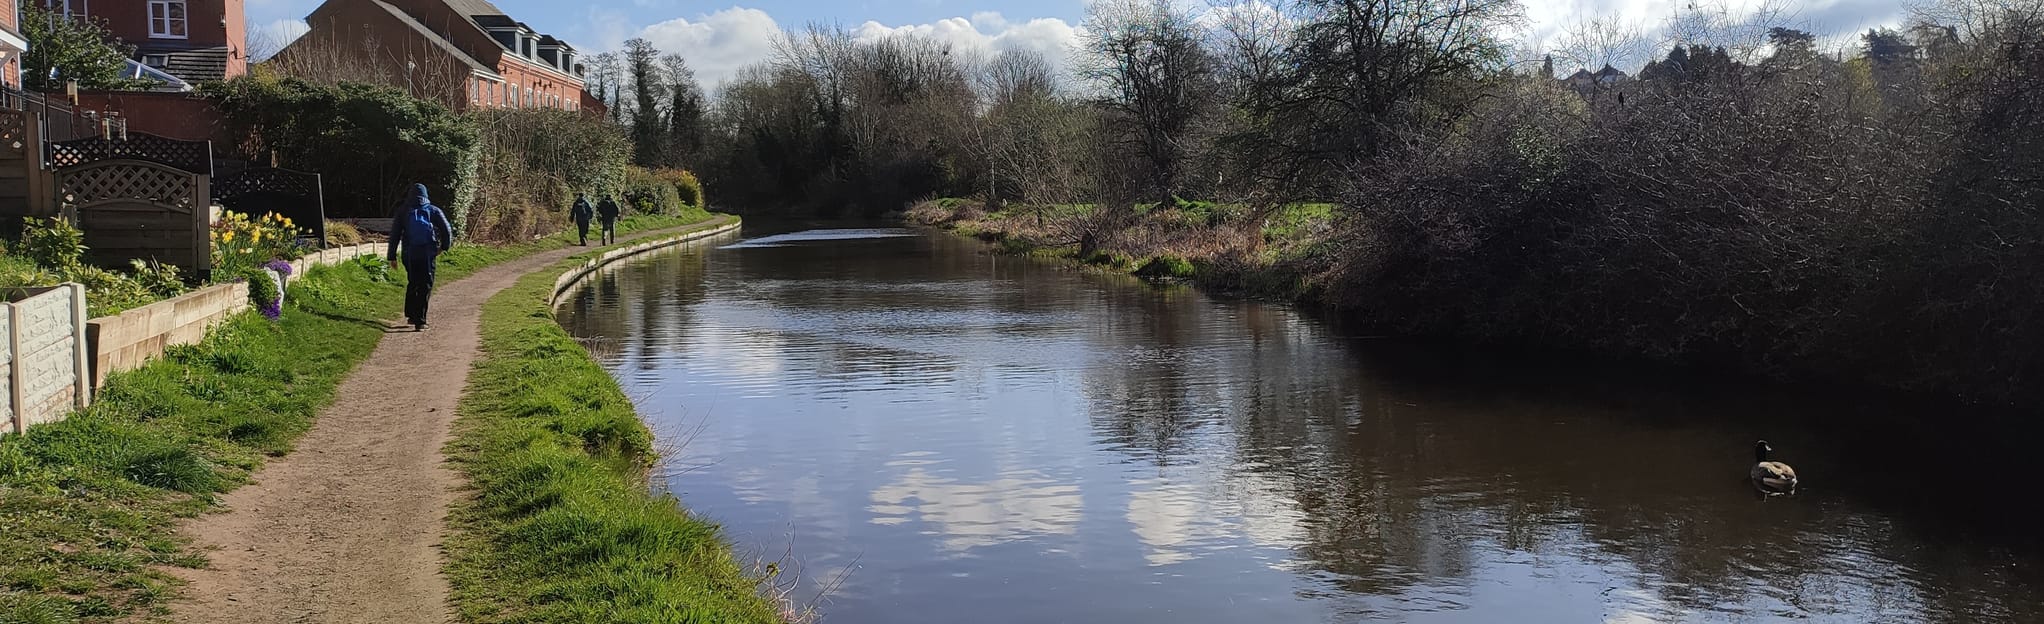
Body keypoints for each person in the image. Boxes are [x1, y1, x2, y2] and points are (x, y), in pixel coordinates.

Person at [388, 183, 454, 332]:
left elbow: (395, 235)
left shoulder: (403, 211)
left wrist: (391, 256)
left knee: (413, 281)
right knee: (426, 284)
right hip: (427, 253)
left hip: (409, 253)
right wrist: (444, 247)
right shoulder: (433, 210)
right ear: (426, 195)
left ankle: (411, 315)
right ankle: (420, 321)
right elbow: (447, 230)